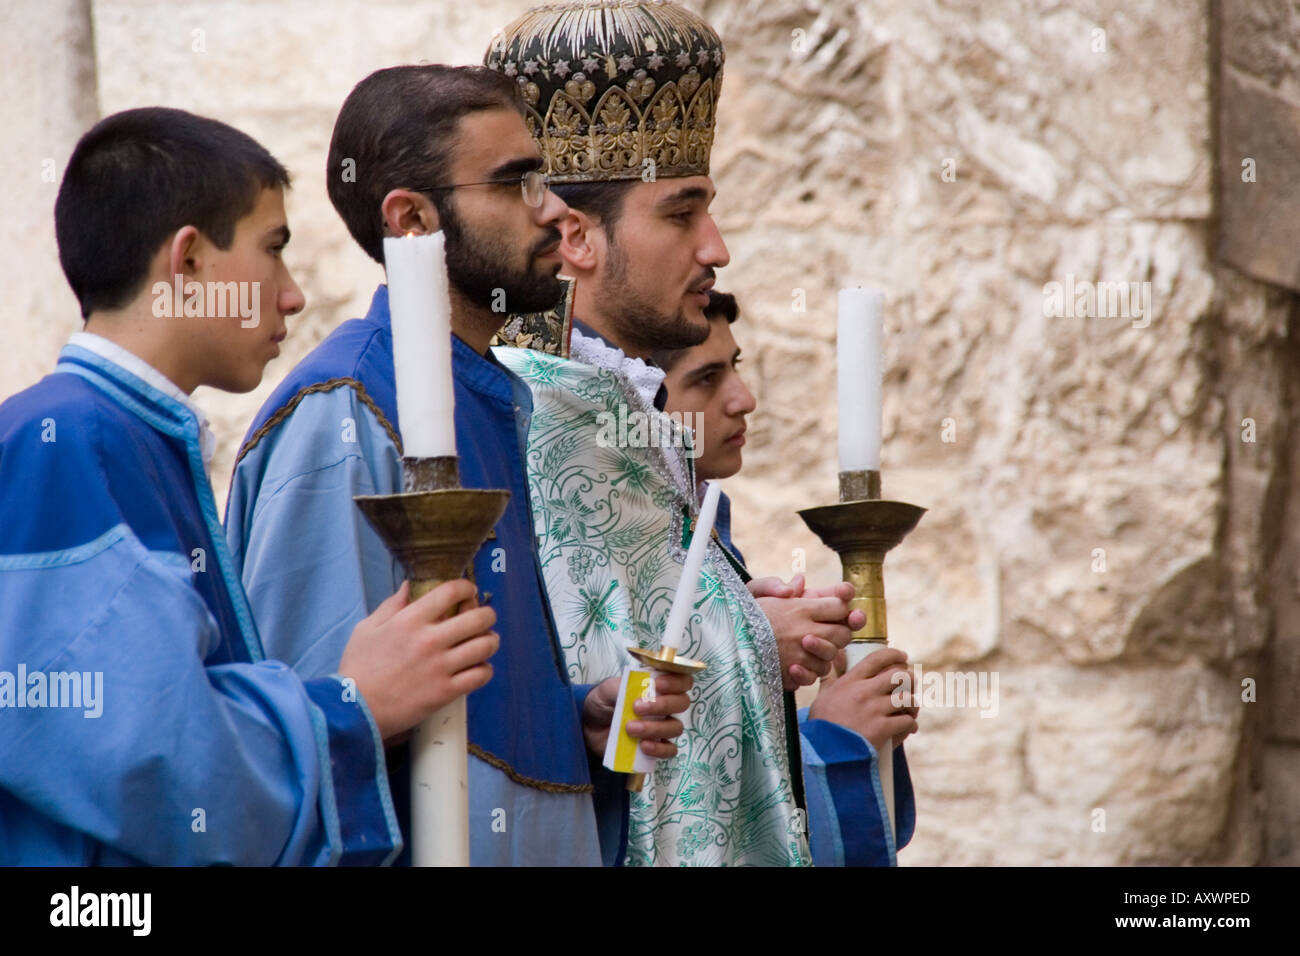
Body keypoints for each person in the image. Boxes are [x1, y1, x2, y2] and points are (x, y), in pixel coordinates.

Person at [0, 107, 500, 865]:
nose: (294, 296)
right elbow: (148, 765)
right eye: (273, 250)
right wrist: (350, 702)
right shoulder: (72, 441)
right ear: (190, 262)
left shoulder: (118, 433)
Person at [224, 65, 692, 867]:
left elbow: (460, 698)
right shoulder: (347, 408)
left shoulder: (505, 398)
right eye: (516, 184)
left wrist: (572, 717)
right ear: (411, 218)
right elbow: (307, 730)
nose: (552, 211)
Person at [488, 0, 917, 865]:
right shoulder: (530, 421)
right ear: (574, 238)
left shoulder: (633, 420)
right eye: (682, 214)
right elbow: (559, 707)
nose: (716, 247)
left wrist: (742, 615)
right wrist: (759, 640)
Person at [657, 290, 922, 865]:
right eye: (706, 380)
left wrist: (839, 708)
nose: (744, 400)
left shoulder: (703, 527)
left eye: (737, 368)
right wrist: (833, 740)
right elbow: (648, 779)